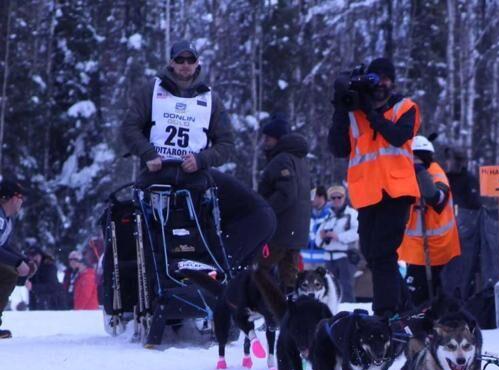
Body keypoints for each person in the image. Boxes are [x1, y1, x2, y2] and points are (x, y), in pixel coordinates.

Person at [119, 40, 276, 271]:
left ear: (197, 63)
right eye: (179, 59)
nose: (185, 65)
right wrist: (148, 153)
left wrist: (202, 160)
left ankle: (220, 267)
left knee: (258, 213)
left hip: (196, 179)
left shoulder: (210, 99)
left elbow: (226, 143)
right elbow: (129, 128)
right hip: (156, 176)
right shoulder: (151, 91)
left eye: (190, 59)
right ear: (171, 62)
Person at [327, 56, 420, 319]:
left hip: (397, 191)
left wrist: (370, 112)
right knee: (372, 253)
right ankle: (406, 308)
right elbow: (339, 148)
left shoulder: (405, 107)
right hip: (366, 194)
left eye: (385, 80)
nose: (380, 85)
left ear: (393, 82)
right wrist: (340, 106)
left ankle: (385, 313)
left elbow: (397, 136)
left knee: (383, 252)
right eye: (375, 79)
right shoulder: (355, 112)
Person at [399, 135, 460, 308]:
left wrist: (419, 171)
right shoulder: (411, 175)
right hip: (418, 248)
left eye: (415, 159)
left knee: (421, 294)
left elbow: (436, 198)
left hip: (435, 248)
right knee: (416, 294)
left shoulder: (435, 174)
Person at [258, 114, 312, 292]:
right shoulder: (301, 161)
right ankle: (287, 315)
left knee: (260, 274)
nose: (264, 141)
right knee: (289, 279)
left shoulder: (281, 159)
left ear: (278, 139)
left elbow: (286, 194)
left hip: (280, 231)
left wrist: (264, 210)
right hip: (296, 232)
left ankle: (265, 312)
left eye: (268, 138)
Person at [440, 145, 483, 300]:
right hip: (445, 230)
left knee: (461, 269)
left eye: (449, 159)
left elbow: (475, 204)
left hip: (465, 231)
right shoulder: (443, 177)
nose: (447, 163)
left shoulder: (469, 179)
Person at [0, 177, 32, 338]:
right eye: (20, 198)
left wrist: (23, 260)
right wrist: (18, 262)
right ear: (12, 198)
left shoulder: (6, 219)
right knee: (7, 273)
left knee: (8, 273)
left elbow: (3, 246)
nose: (22, 202)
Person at [317, 184, 360, 301]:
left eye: (339, 197)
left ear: (344, 197)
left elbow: (357, 232)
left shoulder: (352, 214)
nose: (336, 200)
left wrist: (338, 236)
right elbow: (317, 240)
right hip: (328, 258)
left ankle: (348, 313)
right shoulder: (328, 216)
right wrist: (322, 236)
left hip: (345, 257)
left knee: (347, 288)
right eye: (333, 198)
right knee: (331, 289)